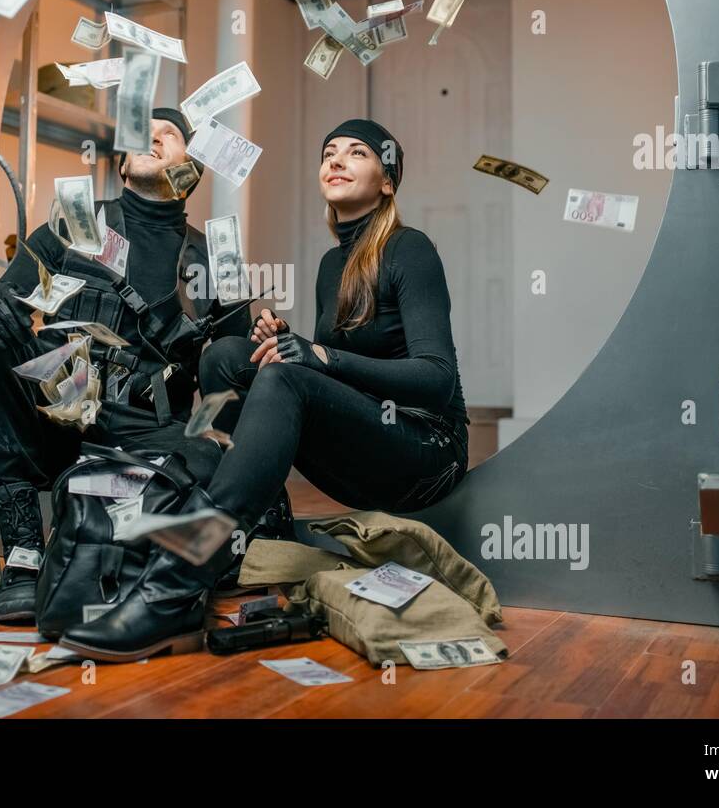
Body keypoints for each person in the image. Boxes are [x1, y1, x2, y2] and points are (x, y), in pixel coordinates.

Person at [60, 118, 471, 661]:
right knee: (231, 356)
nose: (338, 160)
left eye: (358, 153)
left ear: (387, 181)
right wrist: (289, 343)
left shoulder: (408, 249)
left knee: (286, 375)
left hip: (426, 452)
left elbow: (437, 377)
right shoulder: (333, 265)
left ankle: (176, 580)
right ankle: (251, 537)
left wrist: (317, 355)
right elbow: (339, 376)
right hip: (368, 448)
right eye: (329, 152)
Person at [0, 108, 253, 624]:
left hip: (149, 434)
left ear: (191, 171)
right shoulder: (74, 223)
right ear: (120, 164)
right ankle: (25, 555)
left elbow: (236, 374)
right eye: (144, 132)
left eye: (170, 135)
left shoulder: (215, 260)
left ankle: (127, 553)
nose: (153, 139)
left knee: (210, 462)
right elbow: (3, 305)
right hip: (58, 416)